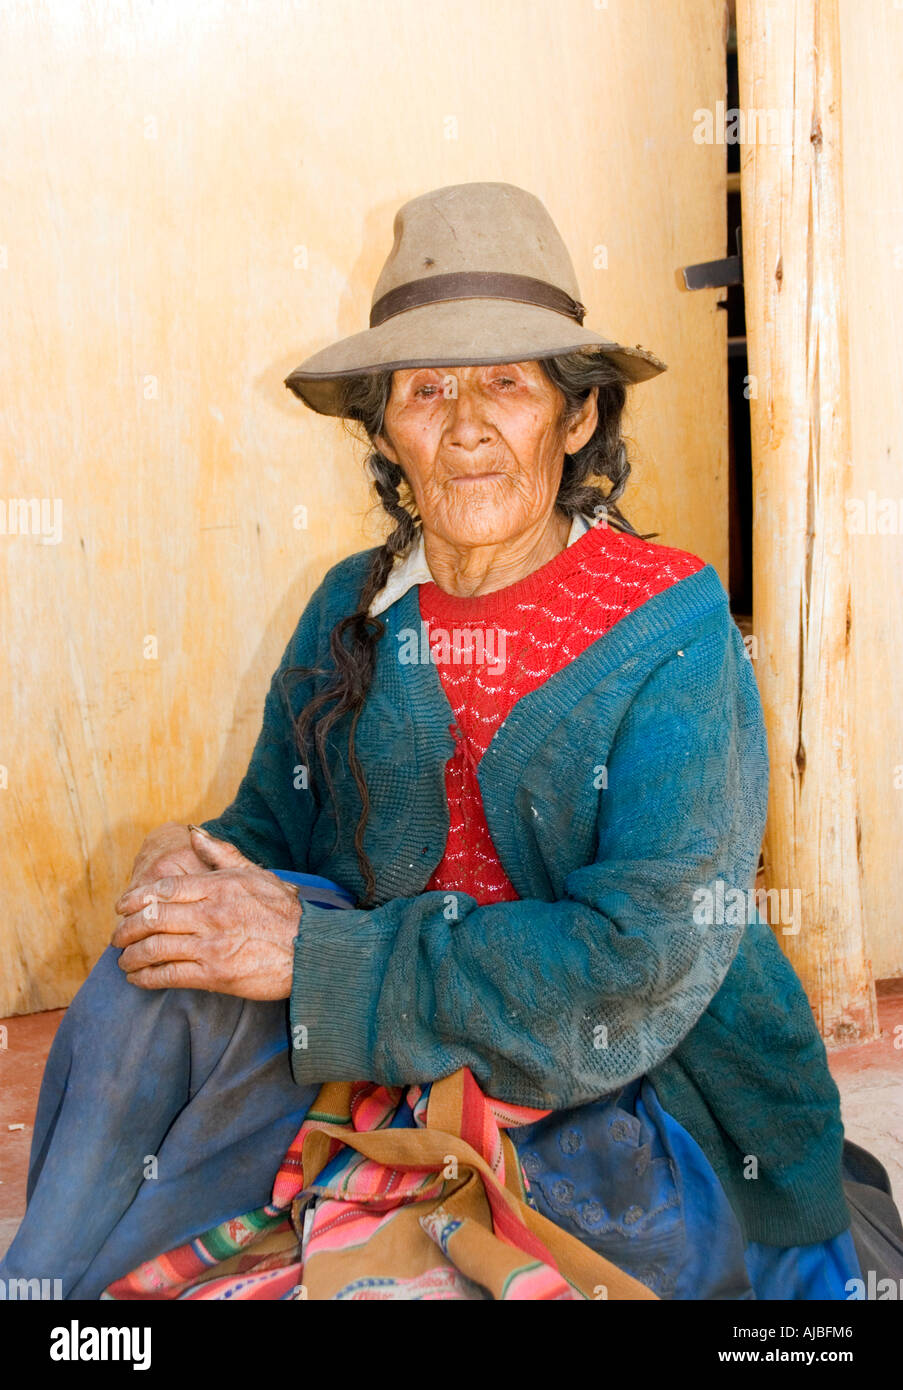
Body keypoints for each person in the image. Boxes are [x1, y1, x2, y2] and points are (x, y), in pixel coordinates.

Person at [3, 182, 895, 1300]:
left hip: (622, 1085)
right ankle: (47, 1294)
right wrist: (194, 869)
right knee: (152, 983)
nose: (467, 427)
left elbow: (637, 969)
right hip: (385, 1055)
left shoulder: (671, 628)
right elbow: (265, 837)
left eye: (508, 387)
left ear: (575, 420)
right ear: (383, 426)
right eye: (427, 392)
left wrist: (320, 960)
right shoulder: (354, 606)